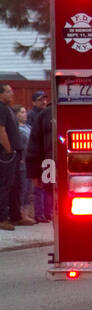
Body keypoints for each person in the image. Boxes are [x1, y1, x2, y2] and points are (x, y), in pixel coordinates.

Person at [0, 84, 35, 230]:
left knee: (15, 185)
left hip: (15, 153)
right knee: (5, 186)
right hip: (6, 154)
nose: (12, 94)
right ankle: (2, 218)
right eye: (8, 91)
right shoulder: (1, 108)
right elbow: (1, 131)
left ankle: (16, 216)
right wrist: (9, 150)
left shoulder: (8, 108)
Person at [26, 91, 52, 222]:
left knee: (48, 185)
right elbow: (34, 138)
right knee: (38, 187)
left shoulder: (47, 114)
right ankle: (39, 213)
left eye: (45, 99)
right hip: (39, 157)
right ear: (34, 102)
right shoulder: (33, 116)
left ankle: (48, 212)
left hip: (47, 156)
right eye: (40, 99)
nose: (44, 102)